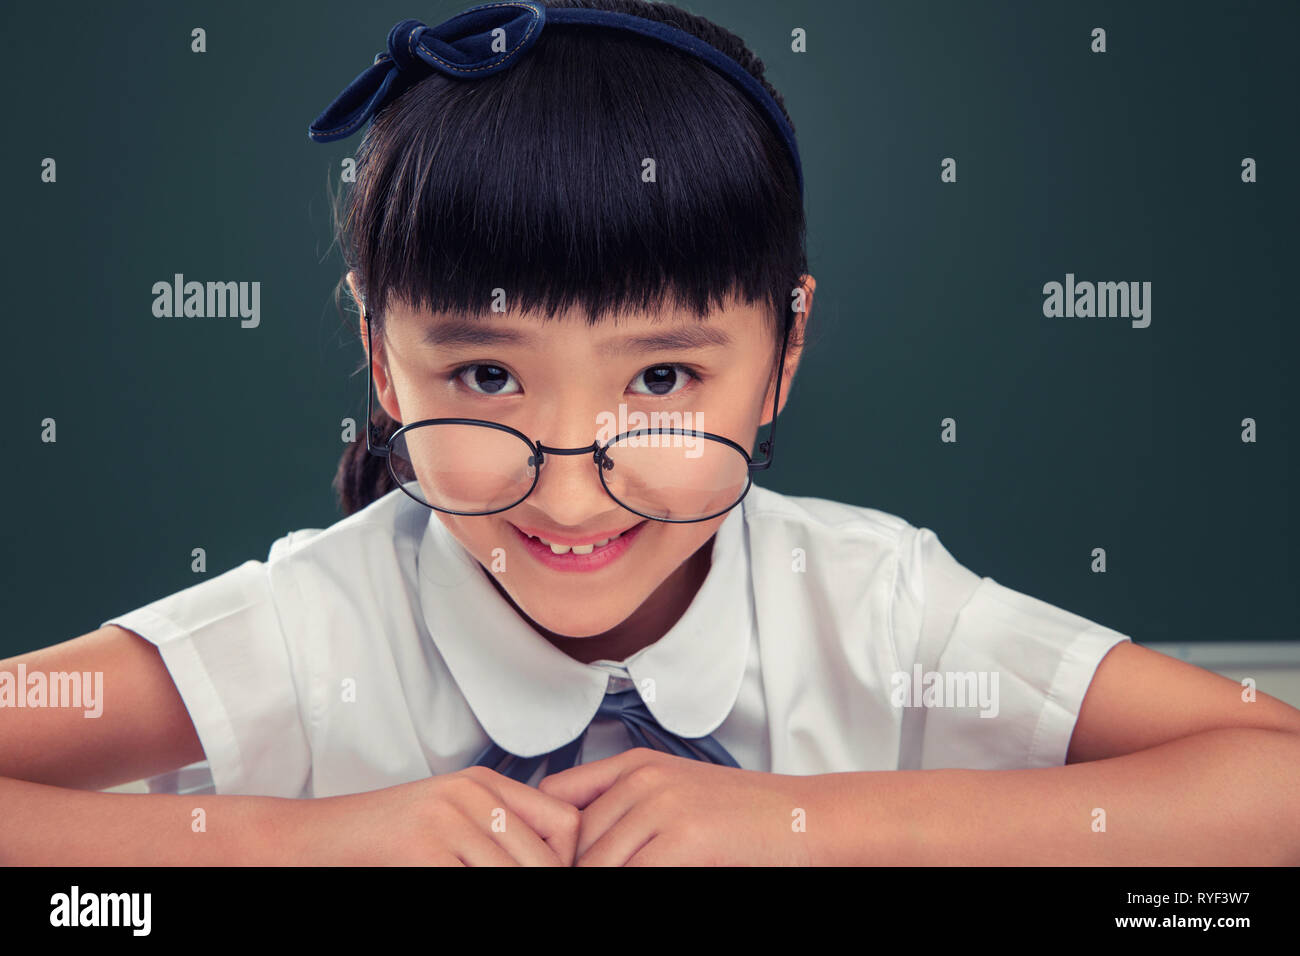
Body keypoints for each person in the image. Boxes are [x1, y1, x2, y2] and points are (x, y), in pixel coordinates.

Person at [3, 0, 1299, 867]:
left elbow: (1274, 774)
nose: (571, 489)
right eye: (488, 375)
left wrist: (809, 824)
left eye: (666, 373)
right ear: (380, 356)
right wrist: (303, 842)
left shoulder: (875, 606)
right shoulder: (307, 631)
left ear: (783, 351)